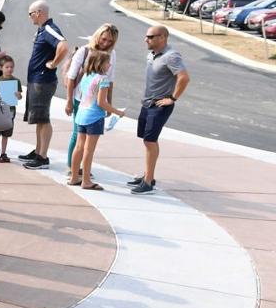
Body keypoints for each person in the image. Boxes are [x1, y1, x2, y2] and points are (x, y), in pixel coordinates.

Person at [131, 26, 190, 195]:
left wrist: (172, 98)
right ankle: (148, 175)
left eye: (150, 36)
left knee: (150, 141)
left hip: (159, 105)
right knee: (146, 140)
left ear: (162, 37)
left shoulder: (171, 56)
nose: (146, 39)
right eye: (146, 36)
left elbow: (184, 77)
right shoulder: (151, 54)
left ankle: (148, 182)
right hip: (147, 103)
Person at [63, 23, 119, 172]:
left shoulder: (112, 54)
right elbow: (71, 77)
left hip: (98, 103)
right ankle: (73, 168)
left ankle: (80, 169)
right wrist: (69, 101)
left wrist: (109, 104)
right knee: (78, 135)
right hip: (80, 100)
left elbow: (110, 80)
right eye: (104, 39)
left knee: (89, 140)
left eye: (110, 41)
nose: (106, 43)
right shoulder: (85, 51)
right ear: (98, 36)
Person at [20, 0, 67, 169]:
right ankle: (38, 150)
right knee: (39, 119)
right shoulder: (42, 30)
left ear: (39, 13)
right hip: (36, 80)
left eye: (30, 13)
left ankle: (43, 157)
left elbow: (63, 45)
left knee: (43, 119)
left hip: (43, 81)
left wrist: (54, 63)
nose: (30, 17)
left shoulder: (49, 29)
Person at [66, 49, 123, 192]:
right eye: (107, 63)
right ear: (100, 64)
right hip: (94, 117)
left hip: (81, 114)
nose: (109, 65)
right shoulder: (103, 80)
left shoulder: (87, 75)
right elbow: (101, 103)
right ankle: (86, 180)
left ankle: (74, 177)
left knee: (79, 147)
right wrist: (117, 112)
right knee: (88, 150)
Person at [0, 55, 19, 162]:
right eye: (7, 67)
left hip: (10, 110)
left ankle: (3, 153)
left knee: (6, 133)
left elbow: (19, 96)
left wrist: (17, 94)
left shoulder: (16, 81)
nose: (9, 69)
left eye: (11, 67)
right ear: (1, 68)